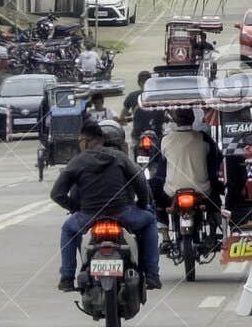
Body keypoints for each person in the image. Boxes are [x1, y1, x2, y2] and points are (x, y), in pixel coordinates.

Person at [50, 119, 161, 291]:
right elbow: (139, 180)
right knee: (149, 220)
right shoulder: (120, 157)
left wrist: (75, 208)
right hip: (123, 214)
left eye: (80, 141)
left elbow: (56, 194)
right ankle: (152, 276)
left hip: (88, 217)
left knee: (68, 229)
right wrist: (143, 204)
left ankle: (67, 277)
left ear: (86, 141)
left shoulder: (77, 162)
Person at [155, 108, 223, 211]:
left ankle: (163, 225)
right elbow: (217, 158)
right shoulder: (204, 138)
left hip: (171, 191)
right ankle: (214, 219)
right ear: (193, 119)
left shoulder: (164, 140)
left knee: (158, 203)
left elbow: (158, 163)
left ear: (174, 120)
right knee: (216, 199)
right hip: (203, 190)